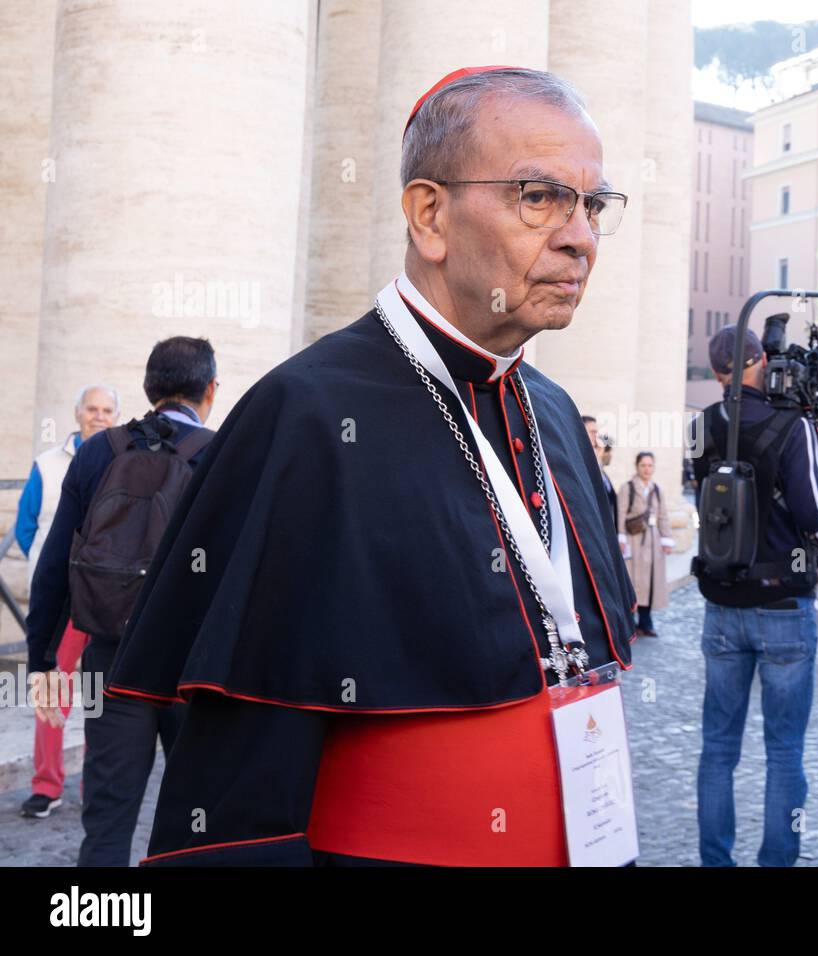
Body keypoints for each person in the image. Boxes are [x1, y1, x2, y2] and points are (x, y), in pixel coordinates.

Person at [104, 66, 638, 867]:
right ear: (430, 214)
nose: (580, 236)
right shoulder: (305, 414)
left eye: (592, 205)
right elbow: (244, 778)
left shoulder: (553, 410)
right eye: (541, 196)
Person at [28, 340, 217, 865]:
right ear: (210, 390)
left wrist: (43, 659)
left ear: (147, 389)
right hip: (194, 669)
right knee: (202, 815)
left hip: (107, 662)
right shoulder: (220, 453)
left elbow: (56, 562)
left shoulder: (96, 451)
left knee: (106, 814)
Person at [689, 324, 818, 867]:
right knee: (784, 752)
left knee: (718, 749)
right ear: (760, 360)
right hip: (783, 606)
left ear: (719, 372)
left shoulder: (700, 427)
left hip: (724, 603)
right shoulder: (792, 428)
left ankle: (715, 862)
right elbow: (815, 509)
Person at [16, 385, 119, 819]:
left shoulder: (124, 461)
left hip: (101, 597)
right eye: (92, 408)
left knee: (98, 691)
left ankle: (94, 785)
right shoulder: (46, 464)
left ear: (116, 416)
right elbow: (24, 527)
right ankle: (47, 785)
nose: (99, 416)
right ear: (77, 413)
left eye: (107, 410)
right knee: (50, 686)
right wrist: (48, 573)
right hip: (60, 599)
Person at [617, 451, 673, 636]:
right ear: (637, 466)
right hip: (634, 540)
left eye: (650, 465)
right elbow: (621, 514)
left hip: (653, 541)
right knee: (634, 582)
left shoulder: (657, 489)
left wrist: (666, 539)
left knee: (650, 583)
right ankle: (630, 622)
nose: (647, 469)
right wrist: (621, 537)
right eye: (643, 465)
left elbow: (663, 516)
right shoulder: (628, 488)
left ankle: (646, 622)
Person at [582, 414, 617, 526]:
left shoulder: (602, 471)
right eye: (592, 432)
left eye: (596, 432)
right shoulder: (579, 462)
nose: (596, 436)